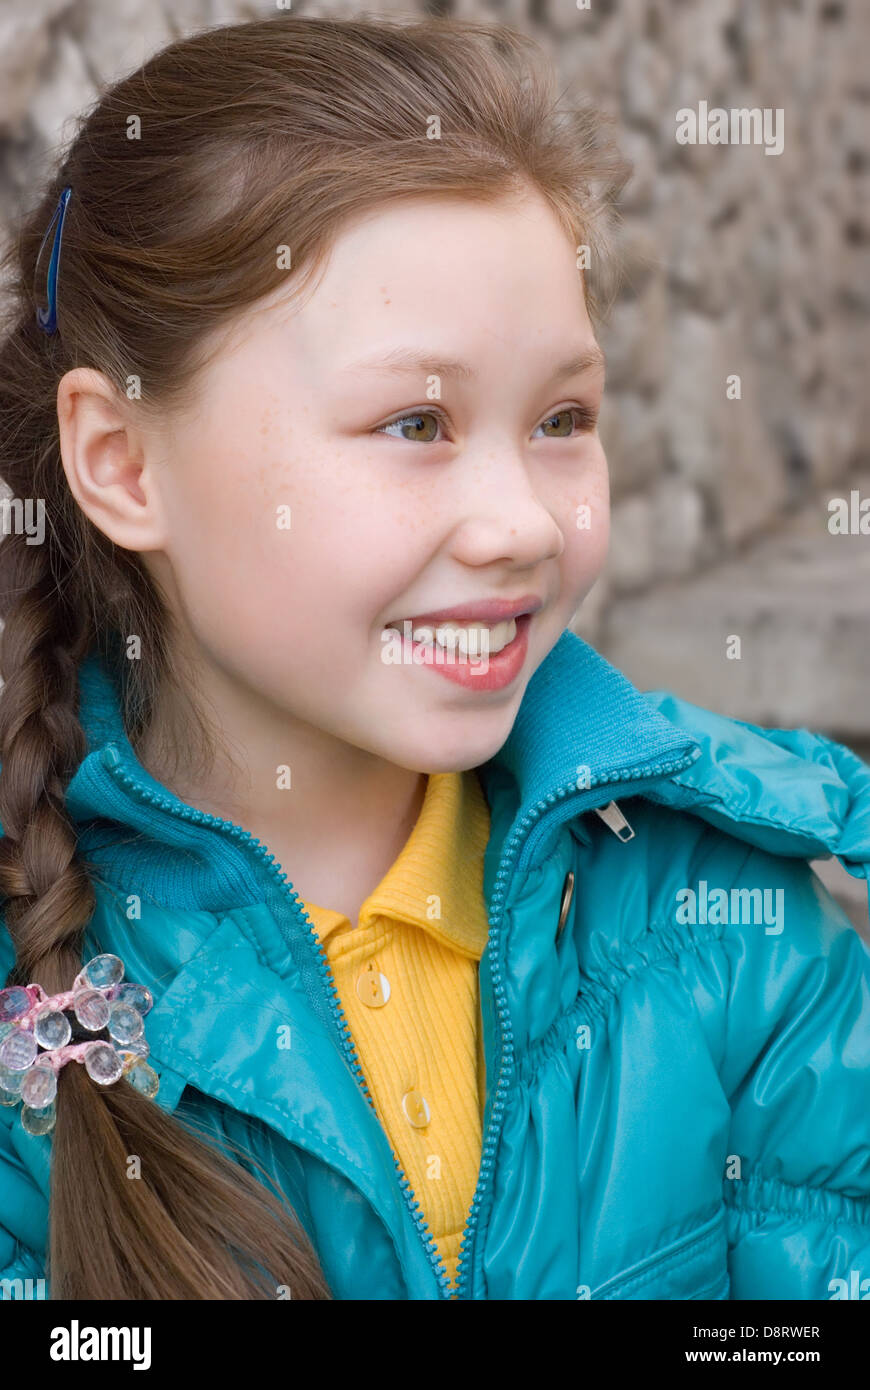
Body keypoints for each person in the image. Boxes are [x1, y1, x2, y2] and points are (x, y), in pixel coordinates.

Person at [0, 14, 867, 1302]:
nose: (521, 521)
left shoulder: (724, 923)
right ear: (124, 464)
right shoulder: (42, 966)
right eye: (418, 421)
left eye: (564, 418)